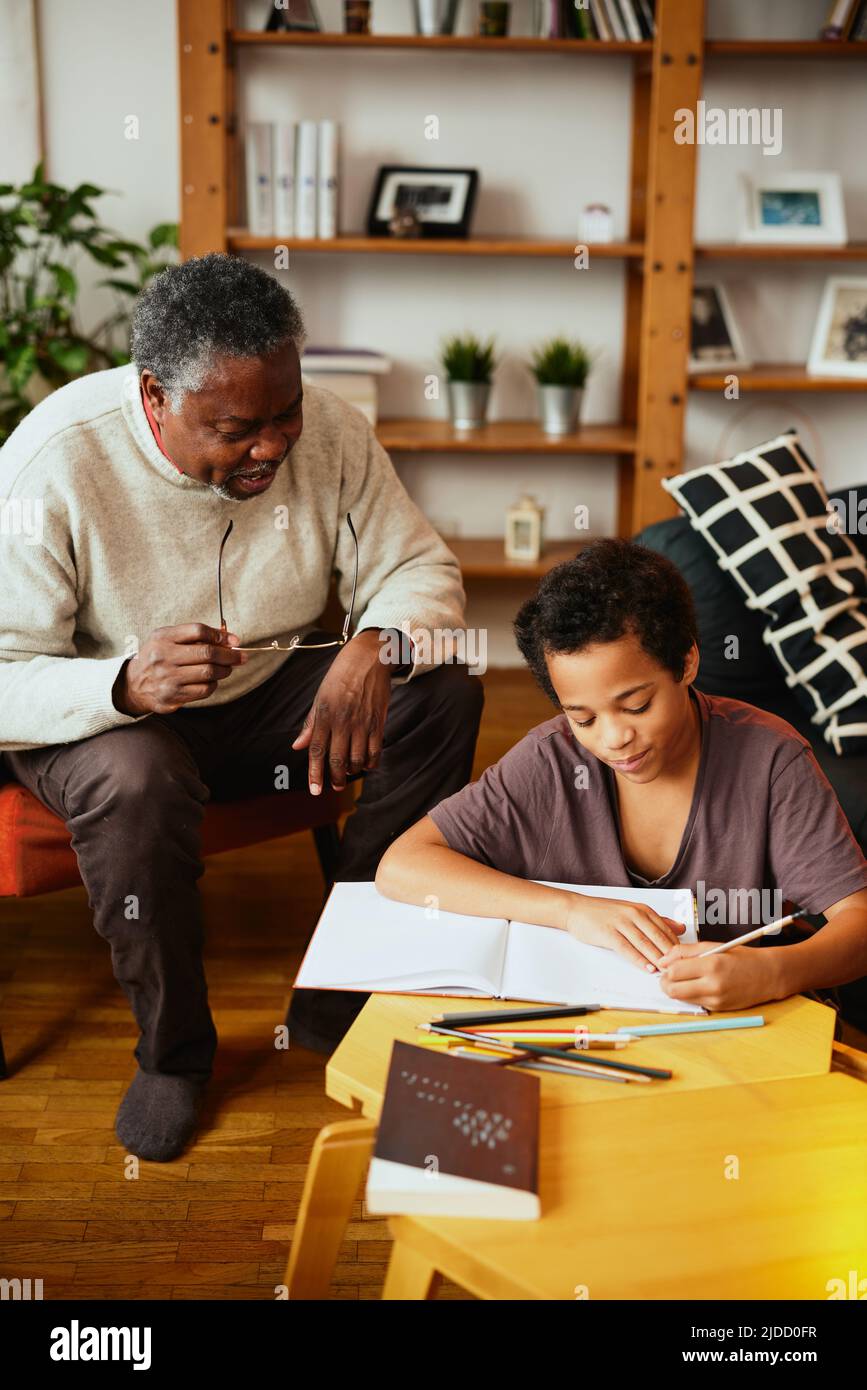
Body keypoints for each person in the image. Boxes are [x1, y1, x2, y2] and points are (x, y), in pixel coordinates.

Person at [0, 253, 483, 1161]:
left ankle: (344, 985)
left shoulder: (328, 431)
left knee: (444, 687)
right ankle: (173, 1055)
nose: (272, 446)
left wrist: (376, 643)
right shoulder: (51, 461)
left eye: (285, 412)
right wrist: (120, 684)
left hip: (264, 700)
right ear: (154, 396)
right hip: (101, 720)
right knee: (138, 774)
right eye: (235, 427)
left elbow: (416, 567)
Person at [376, 539, 867, 1019]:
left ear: (688, 661)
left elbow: (858, 924)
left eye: (637, 705)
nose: (614, 739)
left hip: (741, 1023)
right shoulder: (551, 760)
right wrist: (572, 910)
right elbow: (402, 866)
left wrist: (773, 971)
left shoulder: (769, 760)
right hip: (590, 1028)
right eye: (583, 718)